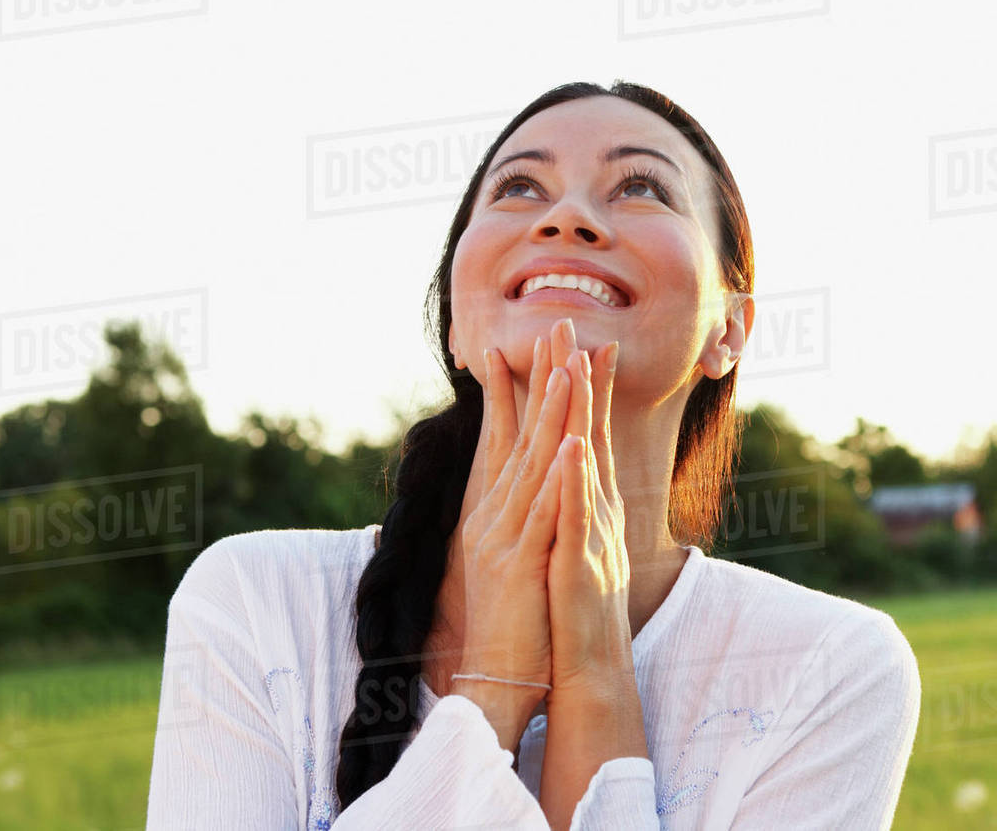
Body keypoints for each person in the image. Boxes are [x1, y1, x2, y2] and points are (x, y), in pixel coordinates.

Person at [145, 81, 921, 830]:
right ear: (456, 320)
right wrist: (495, 688)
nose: (568, 216)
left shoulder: (829, 669)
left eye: (642, 188)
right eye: (519, 186)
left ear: (731, 329)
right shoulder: (253, 602)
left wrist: (597, 680)